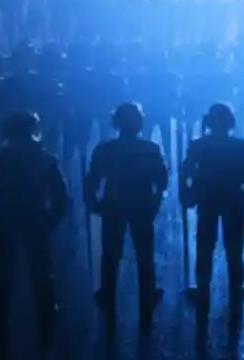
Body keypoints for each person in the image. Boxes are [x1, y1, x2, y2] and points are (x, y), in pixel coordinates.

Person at [0, 111, 70, 355]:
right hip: (35, 220)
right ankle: (47, 319)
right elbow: (61, 198)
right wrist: (50, 222)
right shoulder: (45, 159)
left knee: (2, 273)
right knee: (42, 274)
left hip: (6, 218)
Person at [85, 103, 169, 333]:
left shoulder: (105, 149)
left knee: (110, 256)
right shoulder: (149, 149)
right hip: (142, 204)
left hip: (114, 203)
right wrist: (155, 201)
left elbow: (92, 178)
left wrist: (93, 202)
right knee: (145, 256)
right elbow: (161, 180)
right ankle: (147, 295)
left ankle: (107, 294)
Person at [180, 103, 244, 313]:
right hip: (233, 199)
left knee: (205, 246)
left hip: (207, 199)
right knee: (234, 248)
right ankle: (236, 287)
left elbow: (185, 171)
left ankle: (203, 287)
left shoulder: (198, 145)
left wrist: (186, 195)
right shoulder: (241, 146)